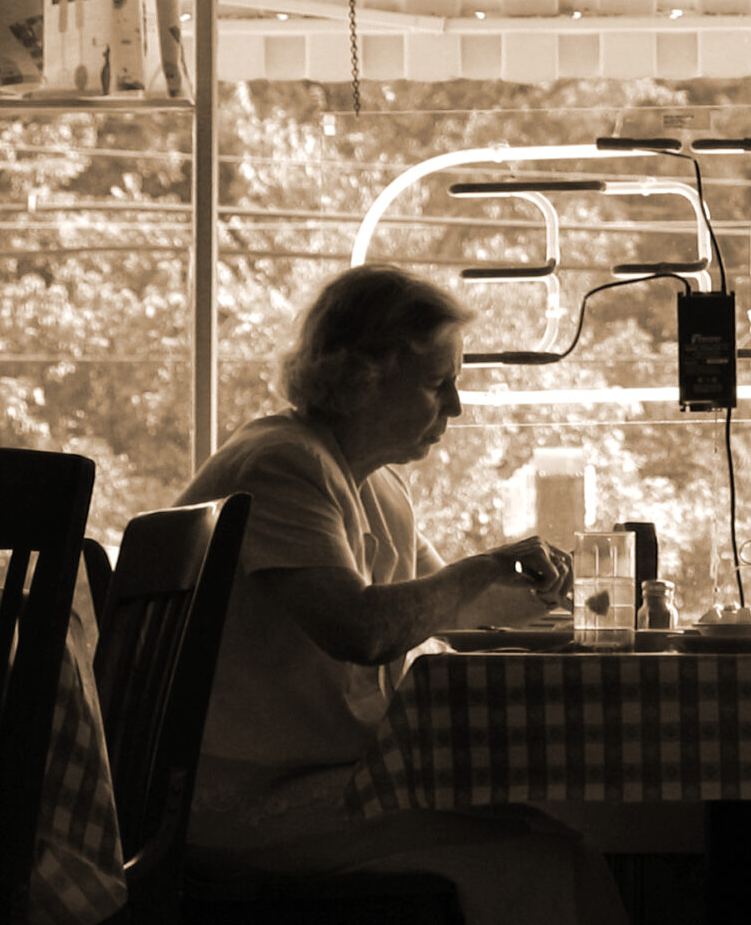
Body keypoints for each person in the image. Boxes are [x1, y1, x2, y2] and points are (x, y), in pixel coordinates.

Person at [179, 263, 627, 925]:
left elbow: (446, 610)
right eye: (437, 384)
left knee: (552, 838)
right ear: (362, 377)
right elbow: (363, 630)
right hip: (240, 803)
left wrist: (557, 599)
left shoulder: (374, 483)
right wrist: (480, 571)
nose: (456, 407)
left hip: (311, 782)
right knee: (546, 855)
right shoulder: (281, 463)